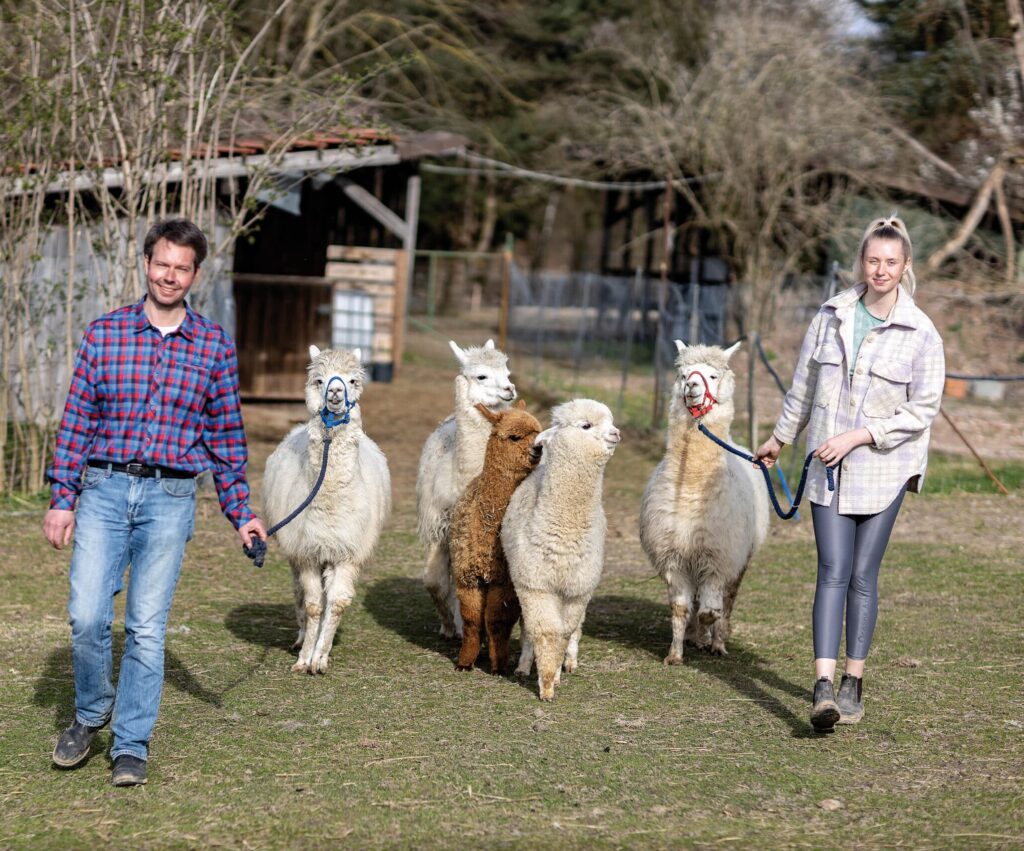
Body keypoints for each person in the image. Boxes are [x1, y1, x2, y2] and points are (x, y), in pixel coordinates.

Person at [43, 218, 268, 785]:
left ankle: (131, 743)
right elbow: (77, 420)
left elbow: (225, 437)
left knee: (146, 626)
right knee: (88, 614)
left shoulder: (212, 345)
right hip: (103, 489)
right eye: (161, 264)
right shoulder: (104, 334)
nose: (170, 276)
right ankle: (92, 711)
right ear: (146, 264)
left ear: (194, 275)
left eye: (181, 268)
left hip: (170, 497)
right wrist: (61, 497)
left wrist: (241, 513)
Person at [754, 214, 944, 733]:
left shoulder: (920, 332)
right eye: (872, 260)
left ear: (905, 267)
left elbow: (921, 410)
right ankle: (822, 687)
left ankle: (853, 683)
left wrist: (860, 436)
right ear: (862, 261)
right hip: (827, 467)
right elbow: (804, 387)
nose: (880, 269)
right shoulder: (831, 315)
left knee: (863, 574)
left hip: (885, 467)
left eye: (891, 262)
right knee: (831, 569)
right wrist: (780, 439)